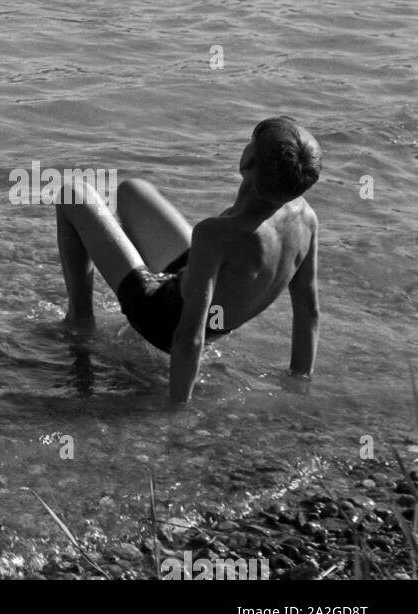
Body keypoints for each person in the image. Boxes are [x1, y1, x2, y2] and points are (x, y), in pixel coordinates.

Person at [54, 117, 321, 405]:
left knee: (72, 193)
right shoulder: (306, 219)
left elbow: (189, 338)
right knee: (132, 191)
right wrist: (299, 378)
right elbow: (308, 311)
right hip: (204, 304)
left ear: (248, 163)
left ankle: (81, 321)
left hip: (161, 320)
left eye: (250, 144)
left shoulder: (216, 235)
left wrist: (178, 408)